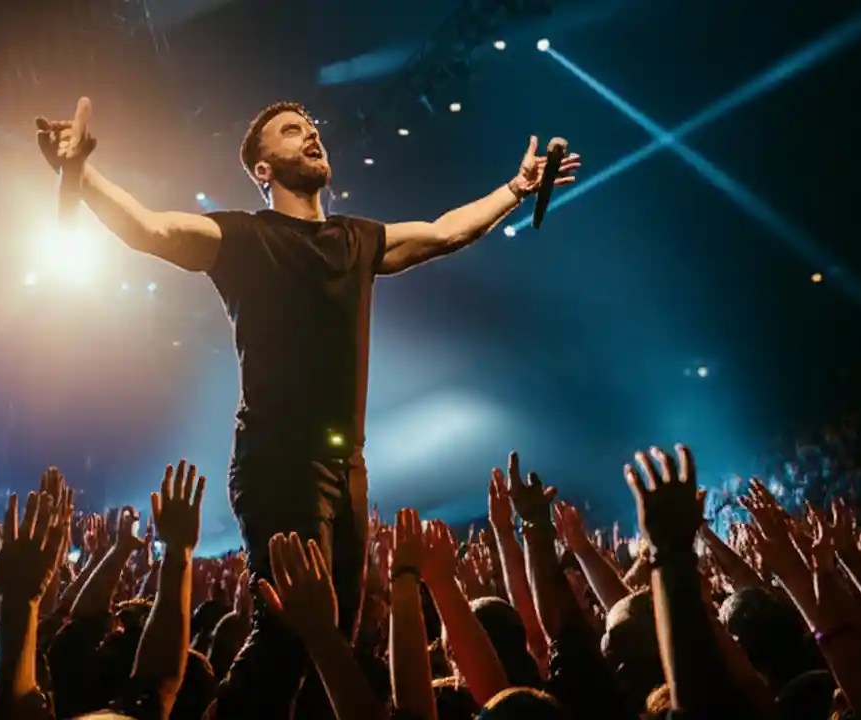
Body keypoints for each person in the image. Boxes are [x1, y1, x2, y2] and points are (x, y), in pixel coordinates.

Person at [35, 98, 579, 718]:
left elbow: (445, 231)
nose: (311, 136)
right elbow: (152, 229)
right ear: (263, 169)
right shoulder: (242, 238)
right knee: (290, 630)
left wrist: (516, 188)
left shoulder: (356, 240)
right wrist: (81, 174)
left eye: (313, 128)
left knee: (338, 635)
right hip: (278, 460)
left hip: (347, 466)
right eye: (292, 132)